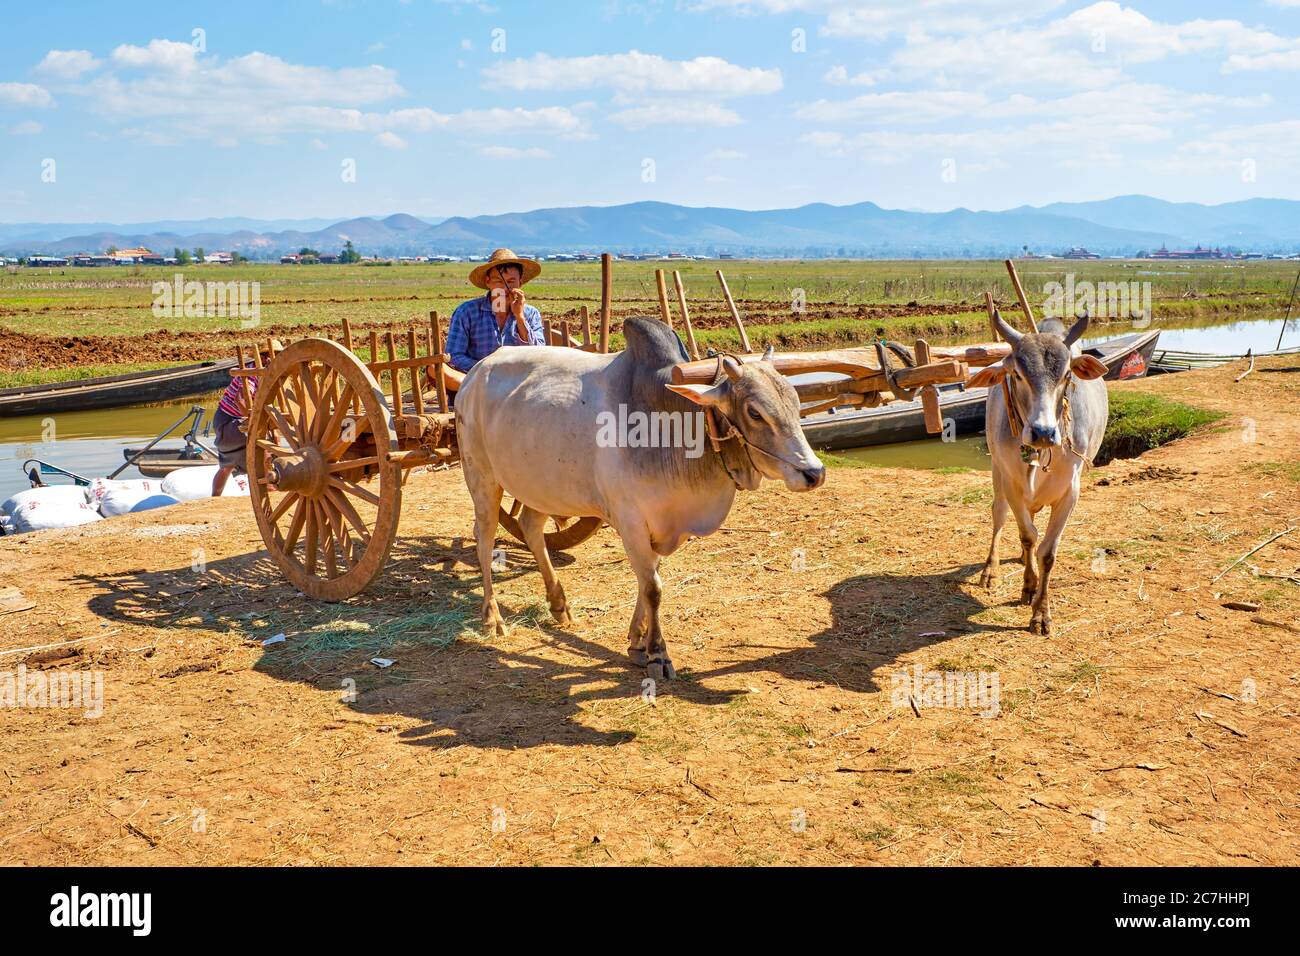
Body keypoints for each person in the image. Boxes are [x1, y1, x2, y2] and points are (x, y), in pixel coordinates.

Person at [440, 248, 546, 393]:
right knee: (437, 370)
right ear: (488, 282)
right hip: (478, 383)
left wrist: (519, 317)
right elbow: (454, 356)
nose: (505, 288)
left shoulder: (531, 314)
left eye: (511, 281)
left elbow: (539, 354)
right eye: (498, 281)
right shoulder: (467, 312)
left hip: (520, 384)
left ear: (520, 283)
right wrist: (488, 368)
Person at [211, 339, 284, 496]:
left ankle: (215, 496)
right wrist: (254, 421)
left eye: (279, 355)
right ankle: (270, 489)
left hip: (232, 420)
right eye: (274, 355)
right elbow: (241, 400)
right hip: (228, 422)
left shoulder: (269, 375)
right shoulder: (253, 373)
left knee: (227, 466)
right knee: (264, 447)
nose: (277, 358)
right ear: (264, 358)